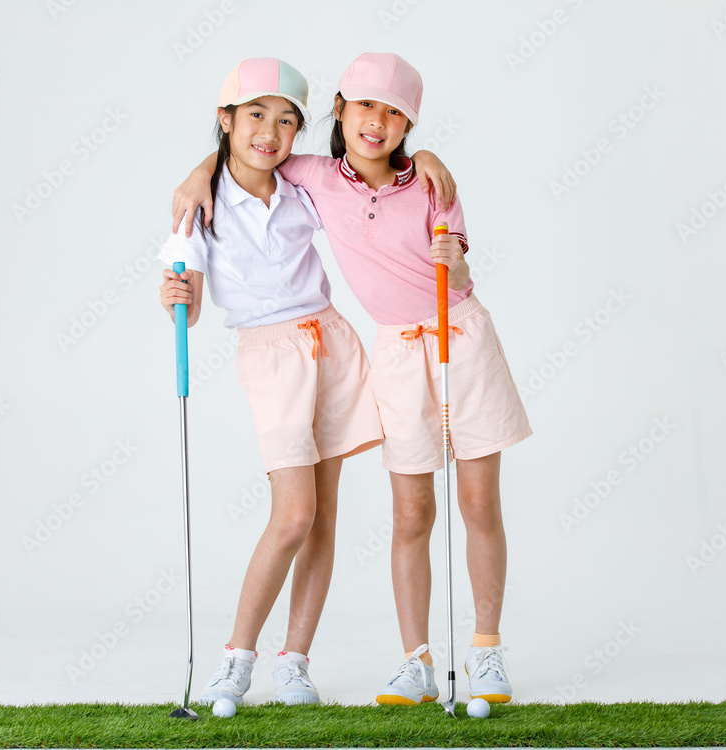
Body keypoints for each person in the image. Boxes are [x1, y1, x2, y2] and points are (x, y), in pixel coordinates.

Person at [172, 53, 532, 707]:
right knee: (382, 513)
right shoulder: (303, 177)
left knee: (466, 504)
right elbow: (240, 161)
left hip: (436, 340)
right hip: (371, 353)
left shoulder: (405, 183)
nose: (379, 121)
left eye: (396, 113)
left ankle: (481, 652)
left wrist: (435, 191)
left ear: (409, 126)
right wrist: (196, 175)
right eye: (367, 104)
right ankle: (397, 661)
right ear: (339, 109)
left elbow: (452, 267)